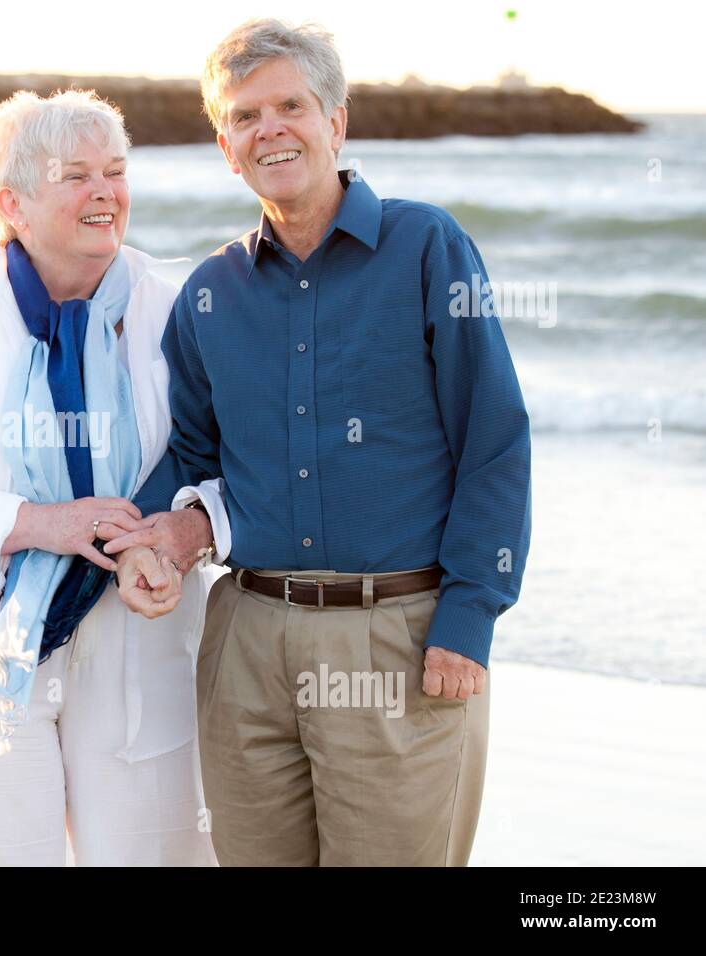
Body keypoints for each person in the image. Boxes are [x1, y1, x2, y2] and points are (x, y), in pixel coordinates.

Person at [106, 17, 532, 866]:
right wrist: (144, 538)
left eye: (289, 106)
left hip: (399, 641)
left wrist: (471, 614)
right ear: (227, 148)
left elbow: (495, 436)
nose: (270, 129)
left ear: (335, 122)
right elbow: (197, 464)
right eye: (244, 116)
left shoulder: (427, 247)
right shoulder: (209, 294)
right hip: (247, 640)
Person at [0, 88, 220, 866]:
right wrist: (40, 523)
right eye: (76, 175)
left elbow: (224, 455)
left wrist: (176, 538)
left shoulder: (178, 306)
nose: (105, 193)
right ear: (12, 204)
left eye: (116, 172)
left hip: (138, 641)